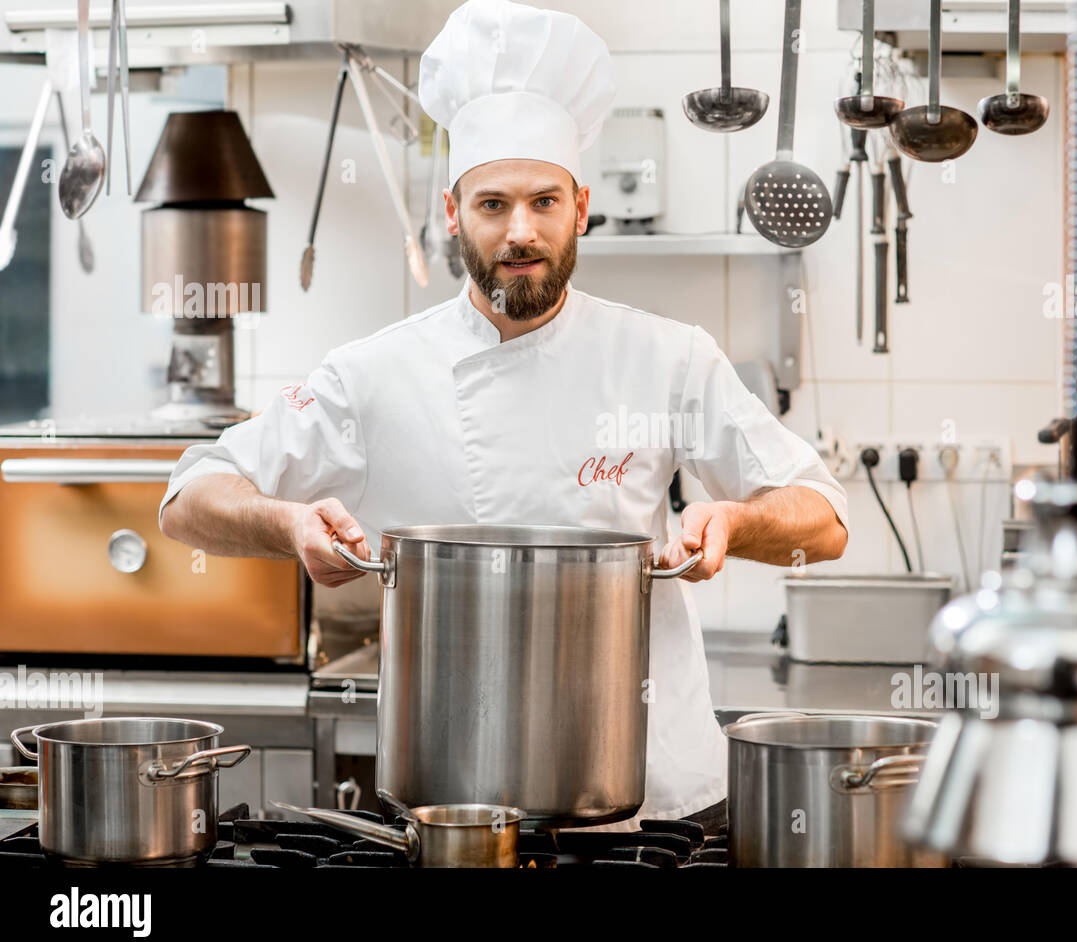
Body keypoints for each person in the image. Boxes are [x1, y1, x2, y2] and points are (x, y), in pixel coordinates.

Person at [158, 0, 848, 829]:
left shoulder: (669, 358)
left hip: (655, 798)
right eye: (492, 205)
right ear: (453, 213)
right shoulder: (374, 374)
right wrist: (289, 521)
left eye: (543, 202)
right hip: (456, 804)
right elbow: (189, 496)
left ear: (581, 205)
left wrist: (734, 519)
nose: (521, 232)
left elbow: (826, 519)